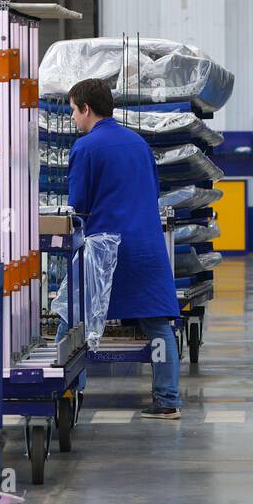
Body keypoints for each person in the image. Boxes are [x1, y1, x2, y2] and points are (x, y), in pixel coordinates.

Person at [67, 77, 182, 419]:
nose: (72, 117)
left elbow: (78, 205)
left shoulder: (85, 148)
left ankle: (68, 392)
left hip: (106, 251)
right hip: (146, 246)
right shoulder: (138, 143)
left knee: (72, 322)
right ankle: (167, 400)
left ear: (86, 108)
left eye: (73, 110)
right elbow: (153, 190)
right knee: (158, 325)